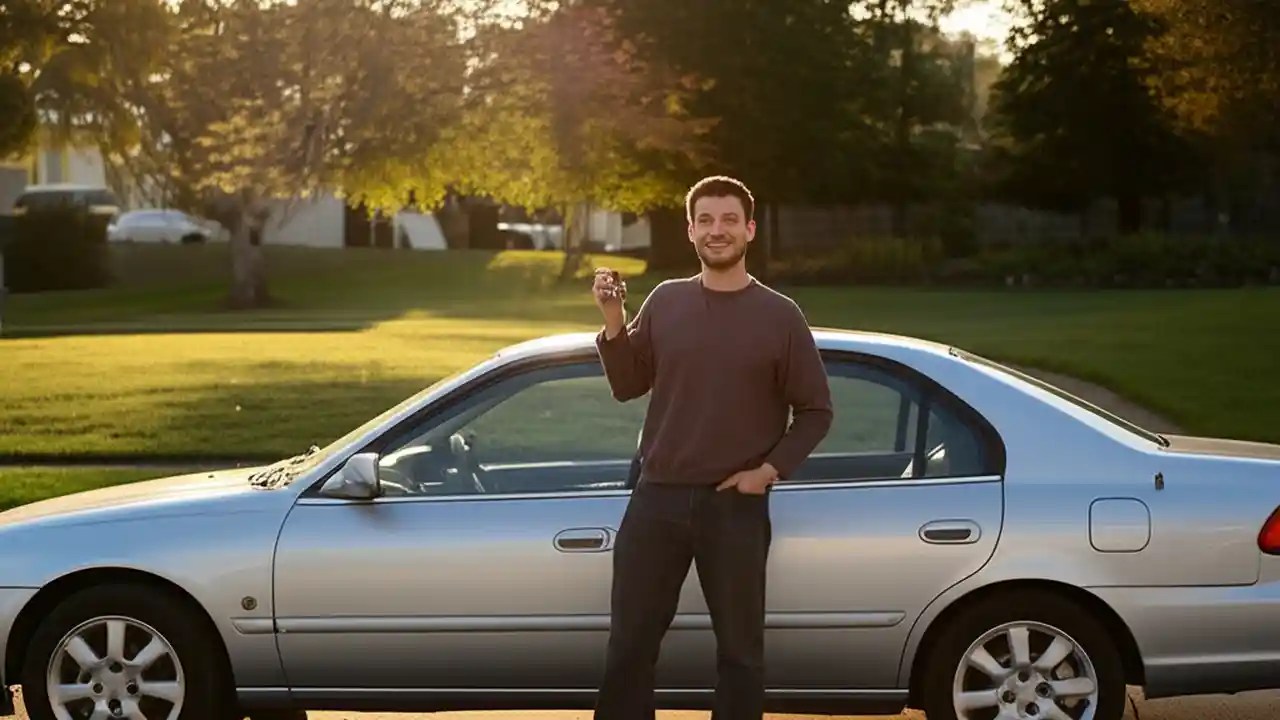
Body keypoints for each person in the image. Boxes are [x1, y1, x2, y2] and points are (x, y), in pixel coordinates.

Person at [591, 175, 834, 720]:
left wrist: (767, 471)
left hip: (735, 506)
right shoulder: (666, 301)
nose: (716, 230)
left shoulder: (780, 316)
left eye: (728, 220)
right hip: (656, 502)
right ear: (690, 230)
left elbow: (816, 411)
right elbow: (629, 384)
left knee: (741, 655)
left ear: (749, 229)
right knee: (629, 647)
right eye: (705, 220)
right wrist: (613, 323)